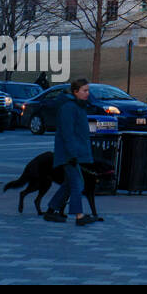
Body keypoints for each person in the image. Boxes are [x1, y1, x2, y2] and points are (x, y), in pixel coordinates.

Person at [45, 78, 98, 226]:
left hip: (75, 153)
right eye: (84, 90)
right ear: (75, 92)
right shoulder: (68, 108)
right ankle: (79, 216)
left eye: (88, 90)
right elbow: (67, 133)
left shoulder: (79, 106)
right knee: (77, 184)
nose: (88, 93)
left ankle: (51, 211)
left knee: (69, 183)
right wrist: (72, 154)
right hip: (69, 154)